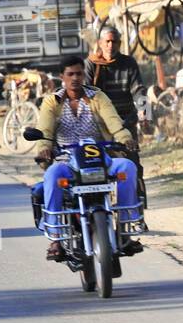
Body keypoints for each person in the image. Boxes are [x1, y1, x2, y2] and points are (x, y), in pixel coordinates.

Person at [32, 56, 140, 261]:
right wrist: (44, 148)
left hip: (101, 159)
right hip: (66, 161)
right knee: (52, 174)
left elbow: (113, 121)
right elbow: (44, 129)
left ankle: (126, 228)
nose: (75, 78)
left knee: (127, 166)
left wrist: (125, 139)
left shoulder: (98, 96)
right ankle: (55, 237)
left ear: (84, 75)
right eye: (70, 74)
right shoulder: (51, 102)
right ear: (62, 77)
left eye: (79, 73)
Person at [84, 26, 145, 138]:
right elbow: (87, 93)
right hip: (101, 123)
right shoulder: (91, 64)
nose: (111, 45)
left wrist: (144, 110)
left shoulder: (129, 63)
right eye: (107, 41)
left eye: (114, 42)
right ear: (100, 43)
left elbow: (138, 89)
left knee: (128, 154)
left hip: (126, 121)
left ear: (119, 44)